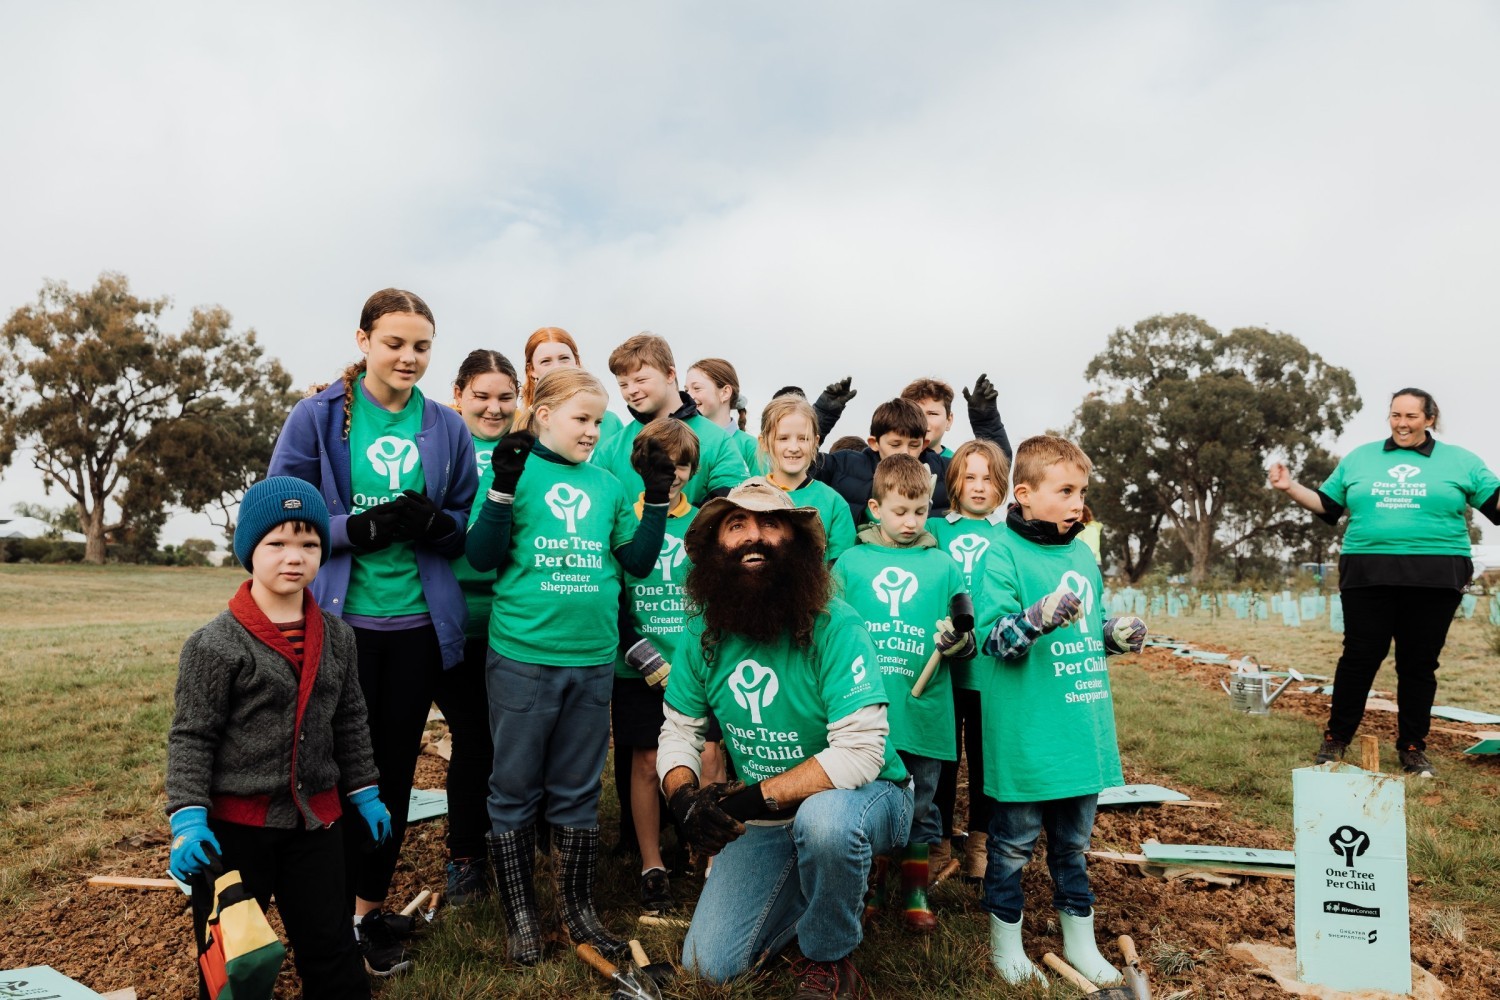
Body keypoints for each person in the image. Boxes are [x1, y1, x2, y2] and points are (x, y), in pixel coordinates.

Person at [267, 288, 477, 975]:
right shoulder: (317, 416)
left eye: (421, 345)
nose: (409, 357)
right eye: (394, 343)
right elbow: (277, 515)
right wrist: (351, 529)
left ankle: (362, 916)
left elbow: (466, 526)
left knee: (387, 772)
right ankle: (316, 916)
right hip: (337, 627)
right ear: (362, 341)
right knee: (325, 771)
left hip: (417, 630)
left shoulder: (448, 427)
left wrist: (433, 526)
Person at [657, 478, 913, 998]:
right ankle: (834, 886)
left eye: (770, 523)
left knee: (825, 824)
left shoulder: (836, 626)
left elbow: (860, 752)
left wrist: (747, 799)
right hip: (765, 815)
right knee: (709, 965)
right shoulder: (702, 634)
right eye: (736, 525)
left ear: (794, 544)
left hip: (870, 797)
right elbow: (680, 732)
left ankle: (829, 956)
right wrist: (683, 797)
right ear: (714, 549)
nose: (754, 536)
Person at [465, 368, 674, 964]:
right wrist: (503, 487)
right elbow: (480, 557)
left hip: (591, 662)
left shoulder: (608, 485)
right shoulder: (514, 472)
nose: (592, 430)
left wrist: (655, 498)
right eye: (581, 419)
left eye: (598, 420)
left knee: (577, 790)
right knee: (514, 789)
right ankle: (522, 915)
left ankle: (577, 911)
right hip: (524, 657)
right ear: (543, 415)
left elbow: (635, 562)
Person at [166, 477, 390, 998]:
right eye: (278, 543)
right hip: (235, 830)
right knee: (233, 964)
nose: (295, 556)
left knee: (331, 949)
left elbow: (351, 718)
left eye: (309, 544)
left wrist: (366, 791)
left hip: (317, 822)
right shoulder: (214, 644)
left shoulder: (338, 636)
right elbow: (192, 736)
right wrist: (188, 820)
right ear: (250, 549)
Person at [975, 435, 1147, 986]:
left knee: (1074, 846)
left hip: (1083, 728)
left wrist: (1113, 634)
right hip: (1028, 733)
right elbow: (995, 641)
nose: (1078, 503)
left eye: (1083, 491)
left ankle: (1081, 940)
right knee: (1012, 846)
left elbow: (1085, 629)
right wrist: (1034, 617)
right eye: (1066, 491)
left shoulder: (1081, 554)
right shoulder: (1000, 554)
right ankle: (1006, 941)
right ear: (1023, 494)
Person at [1269, 387, 1500, 777]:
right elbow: (1328, 506)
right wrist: (1289, 487)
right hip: (1367, 571)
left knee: (1418, 664)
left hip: (1436, 575)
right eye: (1395, 415)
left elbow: (1495, 507)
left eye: (1411, 416)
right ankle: (1336, 739)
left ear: (1430, 419)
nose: (1401, 423)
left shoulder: (1461, 461)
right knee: (1359, 657)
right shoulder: (1360, 458)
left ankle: (1412, 748)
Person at [831, 455, 972, 933]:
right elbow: (830, 627)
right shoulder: (851, 563)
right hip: (867, 709)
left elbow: (966, 634)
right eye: (900, 511)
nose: (911, 522)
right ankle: (868, 888)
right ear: (874, 508)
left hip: (924, 707)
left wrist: (958, 641)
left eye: (920, 511)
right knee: (866, 800)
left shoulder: (944, 567)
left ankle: (913, 892)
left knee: (922, 803)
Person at [441, 349, 519, 905]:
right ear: (459, 394)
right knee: (473, 738)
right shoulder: (443, 444)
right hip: (455, 620)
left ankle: (517, 839)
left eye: (505, 397)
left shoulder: (533, 450)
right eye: (482, 396)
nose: (493, 408)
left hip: (518, 623)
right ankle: (465, 854)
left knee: (513, 740)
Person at [613, 418, 700, 911]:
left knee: (707, 760)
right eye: (661, 466)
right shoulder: (626, 519)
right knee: (646, 762)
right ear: (641, 467)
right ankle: (652, 863)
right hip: (638, 668)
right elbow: (615, 598)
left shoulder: (703, 523)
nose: (673, 474)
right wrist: (641, 654)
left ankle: (706, 853)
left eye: (681, 465)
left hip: (692, 666)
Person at [927, 439, 1011, 883]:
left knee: (983, 759)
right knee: (943, 758)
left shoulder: (1008, 536)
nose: (979, 488)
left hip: (990, 672)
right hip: (943, 669)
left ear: (1002, 486)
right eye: (970, 478)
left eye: (989, 479)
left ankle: (980, 842)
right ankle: (938, 842)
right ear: (953, 482)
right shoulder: (936, 530)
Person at [594, 333, 749, 503]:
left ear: (669, 374)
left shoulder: (719, 441)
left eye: (640, 380)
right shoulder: (611, 450)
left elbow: (732, 507)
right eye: (623, 384)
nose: (631, 390)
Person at [759, 393, 857, 561]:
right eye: (783, 438)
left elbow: (841, 570)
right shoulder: (746, 495)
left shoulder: (834, 503)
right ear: (764, 442)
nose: (794, 447)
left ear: (815, 442)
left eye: (803, 439)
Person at [811, 397, 929, 525]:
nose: (905, 452)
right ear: (874, 443)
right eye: (895, 445)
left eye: (914, 445)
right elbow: (804, 464)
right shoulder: (845, 466)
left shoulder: (940, 471)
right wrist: (824, 414)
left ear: (924, 445)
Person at [519, 326, 623, 444]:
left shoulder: (610, 423)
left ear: (577, 362)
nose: (557, 367)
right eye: (545, 361)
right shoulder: (520, 426)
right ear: (531, 369)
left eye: (564, 358)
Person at [685, 357, 761, 475]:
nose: (688, 396)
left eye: (697, 388)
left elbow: (764, 492)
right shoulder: (683, 440)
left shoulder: (751, 447)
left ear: (725, 393)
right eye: (686, 390)